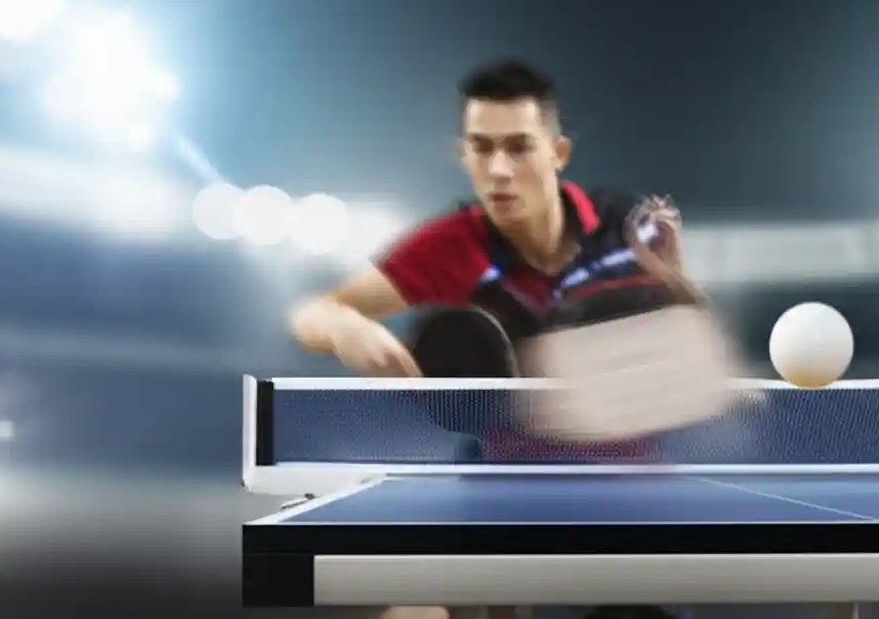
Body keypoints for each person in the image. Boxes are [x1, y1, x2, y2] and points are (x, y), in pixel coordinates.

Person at [288, 58, 690, 619]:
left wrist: (674, 290)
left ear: (558, 153)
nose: (499, 168)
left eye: (519, 147)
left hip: (625, 499)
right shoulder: (454, 245)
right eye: (482, 147)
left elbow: (689, 344)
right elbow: (312, 311)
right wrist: (343, 325)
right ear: (464, 155)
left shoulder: (626, 228)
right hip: (502, 488)